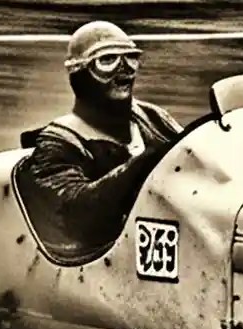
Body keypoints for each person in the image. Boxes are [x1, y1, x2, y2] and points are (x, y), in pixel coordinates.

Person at [17, 21, 183, 257]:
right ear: (79, 73)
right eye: (107, 61)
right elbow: (76, 217)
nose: (124, 69)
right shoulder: (58, 142)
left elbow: (194, 155)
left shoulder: (152, 118)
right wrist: (142, 164)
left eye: (131, 59)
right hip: (106, 261)